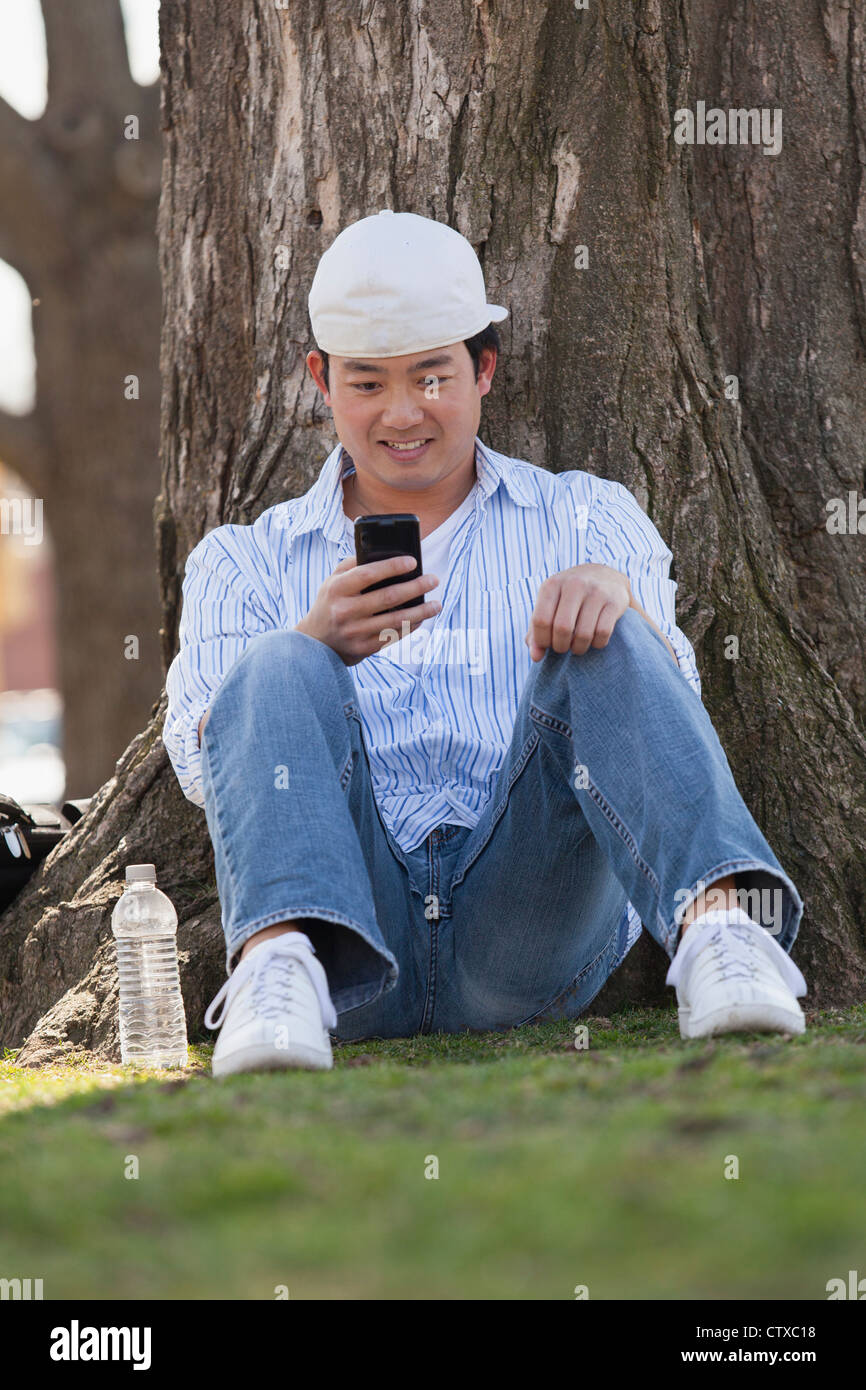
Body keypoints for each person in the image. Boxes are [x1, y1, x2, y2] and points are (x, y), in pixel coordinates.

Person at [163, 209, 806, 1078]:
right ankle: (275, 974)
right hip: (350, 934)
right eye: (366, 384)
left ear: (484, 370)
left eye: (432, 378)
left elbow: (668, 713)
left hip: (529, 922)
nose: (401, 414)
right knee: (274, 660)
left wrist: (623, 603)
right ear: (320, 380)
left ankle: (723, 935)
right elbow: (205, 765)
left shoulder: (586, 514)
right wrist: (314, 644)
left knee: (606, 626)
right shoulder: (243, 560)